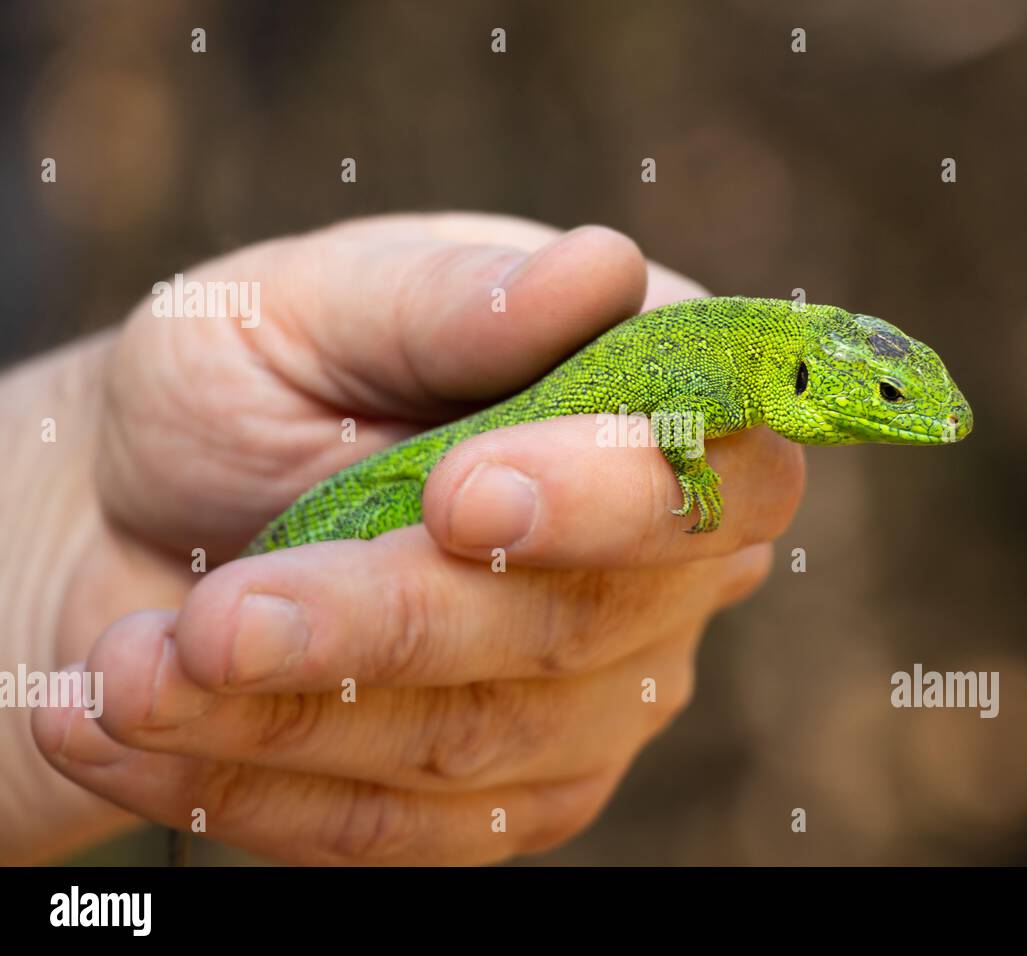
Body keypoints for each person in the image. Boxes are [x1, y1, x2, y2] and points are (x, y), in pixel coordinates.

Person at [0, 213, 805, 864]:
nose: (934, 421)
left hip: (415, 480)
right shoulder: (731, 387)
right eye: (891, 396)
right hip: (396, 481)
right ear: (808, 375)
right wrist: (691, 475)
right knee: (355, 550)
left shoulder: (752, 374)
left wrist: (54, 538)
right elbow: (676, 408)